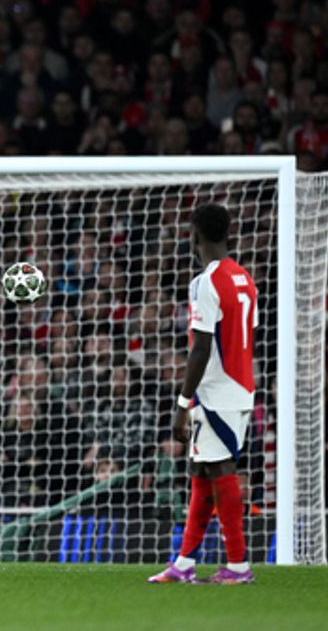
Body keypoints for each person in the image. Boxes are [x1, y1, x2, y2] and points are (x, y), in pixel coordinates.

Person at [149, 203, 257, 585]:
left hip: (216, 392)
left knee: (220, 470)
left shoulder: (205, 282)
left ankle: (238, 566)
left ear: (194, 236)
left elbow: (201, 348)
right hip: (238, 386)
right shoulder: (244, 278)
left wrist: (182, 404)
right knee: (201, 470)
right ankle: (185, 562)